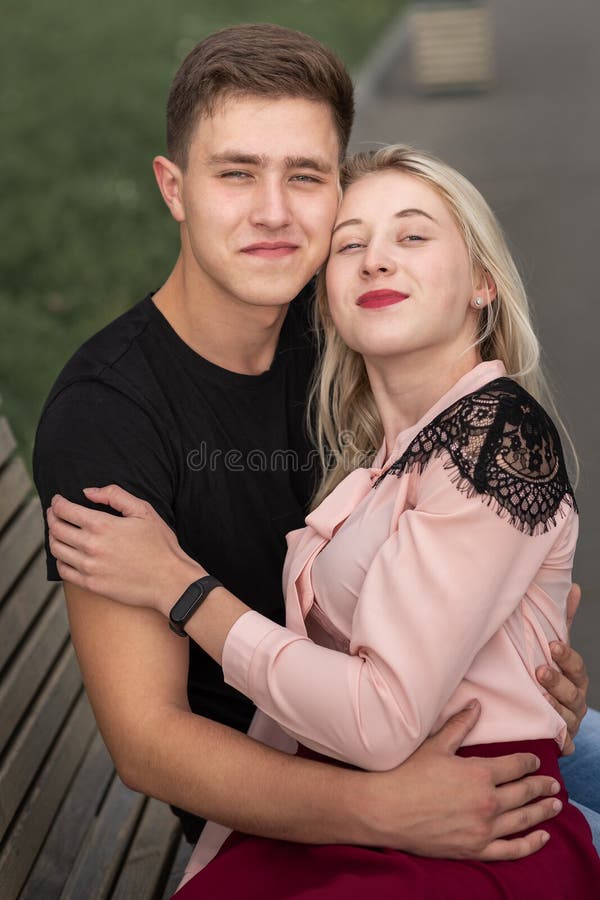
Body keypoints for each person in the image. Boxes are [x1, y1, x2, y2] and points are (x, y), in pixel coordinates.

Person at [34, 23, 597, 865]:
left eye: (305, 176)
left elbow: (475, 506)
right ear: (174, 186)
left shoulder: (350, 324)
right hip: (301, 781)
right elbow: (148, 741)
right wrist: (383, 810)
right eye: (235, 173)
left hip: (456, 713)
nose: (273, 211)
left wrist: (519, 639)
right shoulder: (108, 413)